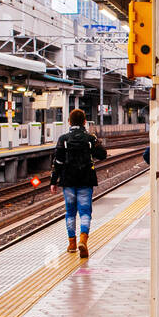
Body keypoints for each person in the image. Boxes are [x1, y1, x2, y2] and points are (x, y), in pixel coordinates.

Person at [50, 108, 108, 257]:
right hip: (85, 180)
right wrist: (96, 142)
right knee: (85, 212)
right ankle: (83, 240)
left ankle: (72, 243)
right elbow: (103, 155)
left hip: (68, 181)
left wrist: (53, 181)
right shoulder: (90, 138)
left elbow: (58, 162)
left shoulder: (63, 139)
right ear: (84, 122)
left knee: (70, 212)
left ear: (69, 122)